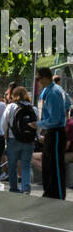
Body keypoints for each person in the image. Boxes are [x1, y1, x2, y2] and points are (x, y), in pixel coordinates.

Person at [36, 66, 67, 199]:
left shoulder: (53, 92)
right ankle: (49, 192)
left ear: (44, 78)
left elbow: (53, 119)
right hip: (51, 131)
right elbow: (68, 103)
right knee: (48, 163)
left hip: (56, 132)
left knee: (55, 165)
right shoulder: (51, 91)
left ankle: (58, 195)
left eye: (38, 78)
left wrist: (38, 124)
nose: (37, 82)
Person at [0, 85, 37, 194]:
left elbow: (3, 123)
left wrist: (4, 134)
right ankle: (25, 189)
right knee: (26, 165)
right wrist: (36, 136)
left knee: (12, 165)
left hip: (13, 140)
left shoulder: (11, 107)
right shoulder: (33, 108)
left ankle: (14, 188)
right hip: (29, 141)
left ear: (14, 96)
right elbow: (38, 125)